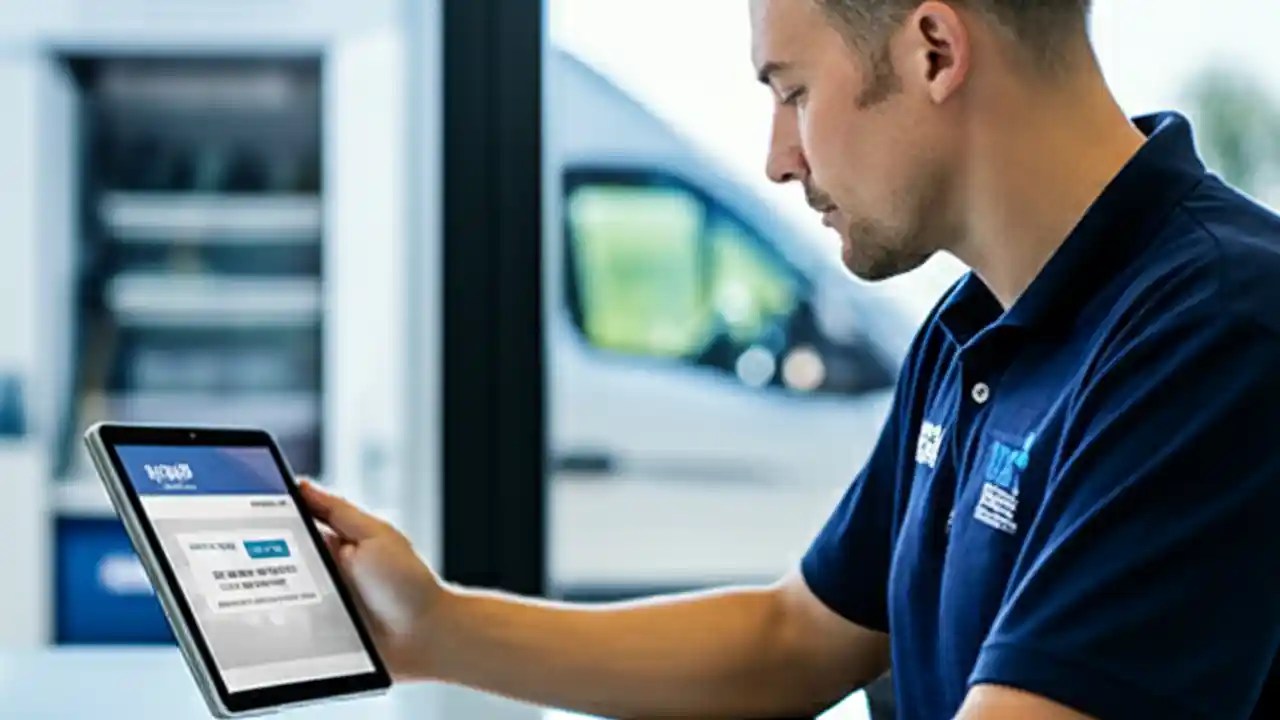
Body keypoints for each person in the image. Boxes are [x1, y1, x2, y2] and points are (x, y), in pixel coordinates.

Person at [300, 0, 1280, 717]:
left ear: (933, 50)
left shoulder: (1217, 332)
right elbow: (794, 640)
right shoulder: (971, 330)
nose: (777, 157)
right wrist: (431, 629)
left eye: (792, 92)